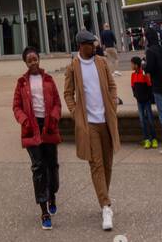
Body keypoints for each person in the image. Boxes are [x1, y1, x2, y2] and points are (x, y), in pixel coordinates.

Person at [63, 29, 120, 231]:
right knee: (96, 165)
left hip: (106, 120)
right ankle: (105, 206)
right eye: (90, 44)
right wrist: (75, 113)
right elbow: (68, 94)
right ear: (81, 46)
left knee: (107, 164)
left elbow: (112, 86)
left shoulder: (102, 62)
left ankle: (103, 196)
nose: (94, 47)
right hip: (89, 124)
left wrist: (112, 103)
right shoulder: (72, 67)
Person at [13, 46, 62, 230]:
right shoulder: (21, 83)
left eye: (35, 59)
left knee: (52, 165)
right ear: (25, 63)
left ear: (39, 59)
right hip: (31, 129)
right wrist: (24, 120)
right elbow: (16, 106)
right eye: (29, 60)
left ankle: (52, 195)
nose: (33, 62)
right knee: (38, 168)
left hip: (49, 127)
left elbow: (57, 102)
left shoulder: (48, 80)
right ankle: (44, 211)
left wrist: (55, 116)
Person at [130, 55, 157, 148]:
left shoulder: (144, 74)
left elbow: (149, 86)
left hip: (146, 100)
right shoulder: (133, 75)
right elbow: (133, 87)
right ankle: (146, 139)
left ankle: (154, 139)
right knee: (142, 120)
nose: (131, 66)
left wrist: (147, 97)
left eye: (132, 64)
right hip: (139, 101)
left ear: (136, 65)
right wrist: (136, 96)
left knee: (150, 120)